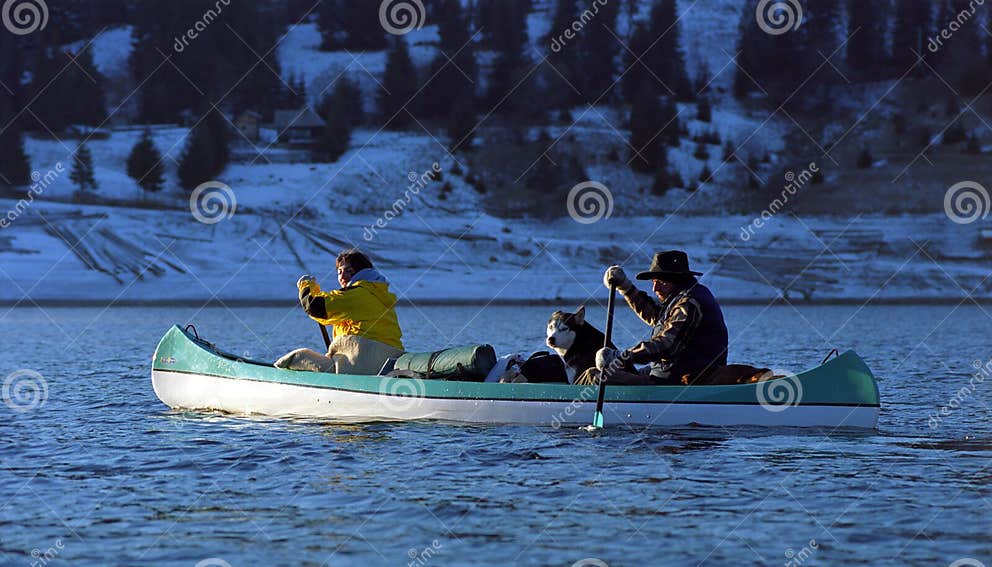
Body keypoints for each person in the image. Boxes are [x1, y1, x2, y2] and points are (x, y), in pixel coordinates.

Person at [575, 250, 729, 386]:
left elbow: (666, 344)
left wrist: (621, 357)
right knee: (623, 371)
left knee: (594, 375)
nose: (655, 288)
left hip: (680, 380)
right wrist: (625, 287)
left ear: (678, 279)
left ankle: (568, 404)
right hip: (670, 374)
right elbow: (657, 316)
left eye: (661, 282)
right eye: (654, 282)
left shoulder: (688, 303)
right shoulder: (684, 297)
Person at [274, 250, 405, 375]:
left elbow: (314, 306)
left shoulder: (357, 294)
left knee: (299, 356)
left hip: (363, 366)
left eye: (349, 271)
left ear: (362, 273)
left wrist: (307, 286)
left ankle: (271, 376)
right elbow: (325, 314)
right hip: (387, 363)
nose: (342, 276)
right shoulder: (377, 294)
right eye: (339, 271)